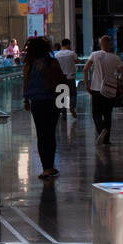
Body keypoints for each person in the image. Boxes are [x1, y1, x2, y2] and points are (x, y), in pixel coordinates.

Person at [23, 37, 67, 179]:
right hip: (52, 101)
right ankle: (50, 166)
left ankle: (45, 167)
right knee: (50, 134)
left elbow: (25, 83)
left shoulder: (29, 65)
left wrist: (26, 100)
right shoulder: (52, 63)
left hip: (36, 102)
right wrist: (64, 103)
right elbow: (61, 81)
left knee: (41, 135)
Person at [84, 35, 123, 147]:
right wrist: (118, 80)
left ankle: (101, 129)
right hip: (110, 89)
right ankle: (106, 140)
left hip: (96, 89)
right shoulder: (115, 57)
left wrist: (87, 83)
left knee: (96, 113)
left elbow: (85, 69)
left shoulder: (94, 55)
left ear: (100, 44)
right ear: (110, 44)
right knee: (108, 114)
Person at [54, 38, 79, 118]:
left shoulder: (56, 55)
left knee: (62, 95)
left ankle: (63, 113)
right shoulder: (72, 53)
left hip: (60, 78)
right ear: (68, 45)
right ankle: (72, 107)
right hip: (70, 77)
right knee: (72, 94)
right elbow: (77, 61)